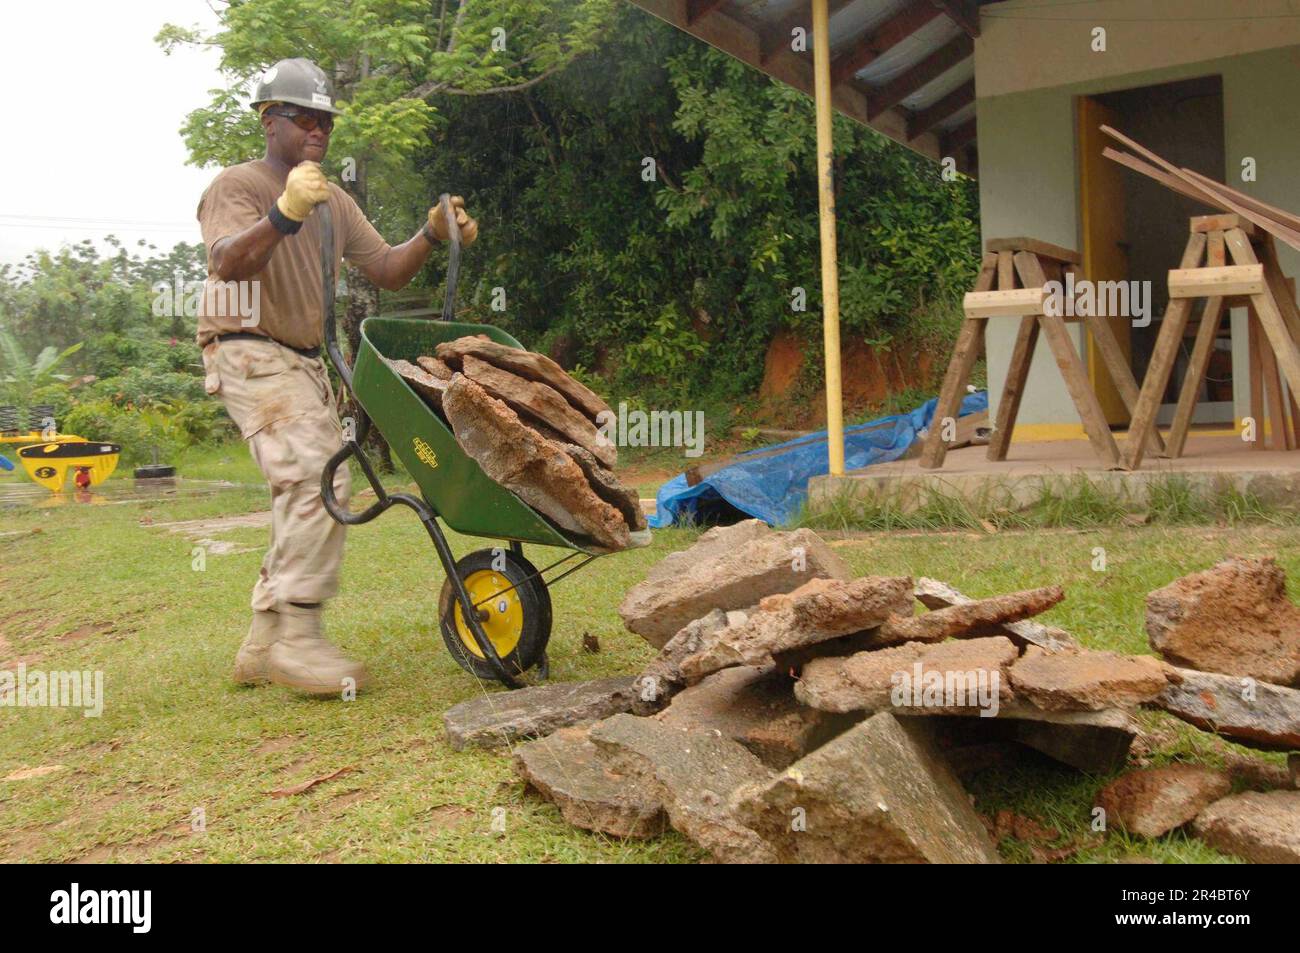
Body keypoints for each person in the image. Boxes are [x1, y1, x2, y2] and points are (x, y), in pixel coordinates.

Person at [196, 57, 477, 696]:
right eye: (304, 117)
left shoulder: (333, 200)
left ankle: (263, 644)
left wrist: (431, 235)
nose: (319, 130)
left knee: (301, 484)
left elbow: (386, 269)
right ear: (270, 121)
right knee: (319, 475)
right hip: (246, 346)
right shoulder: (236, 186)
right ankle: (299, 641)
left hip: (300, 360)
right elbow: (229, 264)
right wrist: (284, 213)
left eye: (325, 120)